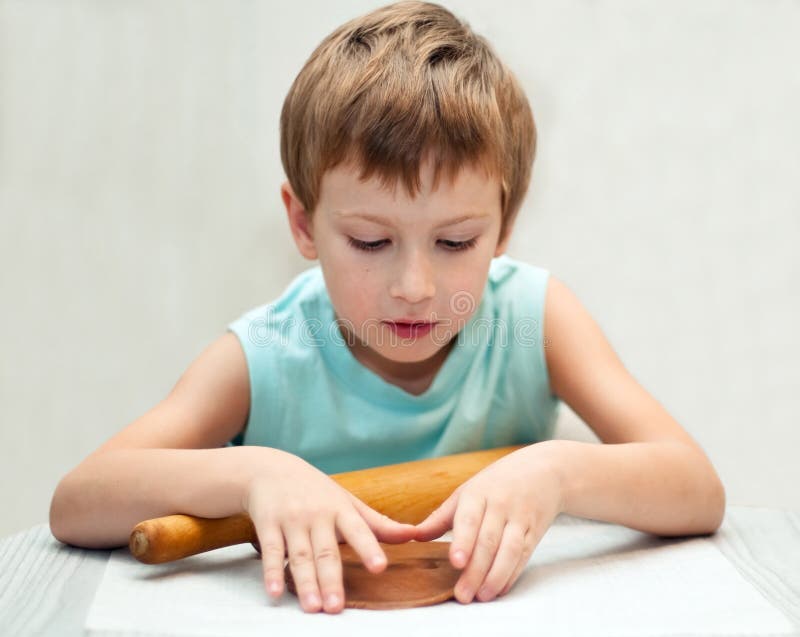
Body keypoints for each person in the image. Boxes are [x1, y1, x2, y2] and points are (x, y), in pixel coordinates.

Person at [49, 0, 726, 616]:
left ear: (506, 224)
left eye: (456, 240)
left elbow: (696, 487)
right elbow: (78, 500)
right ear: (305, 223)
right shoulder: (266, 357)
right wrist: (256, 473)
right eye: (371, 241)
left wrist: (558, 469)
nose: (414, 285)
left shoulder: (533, 318)